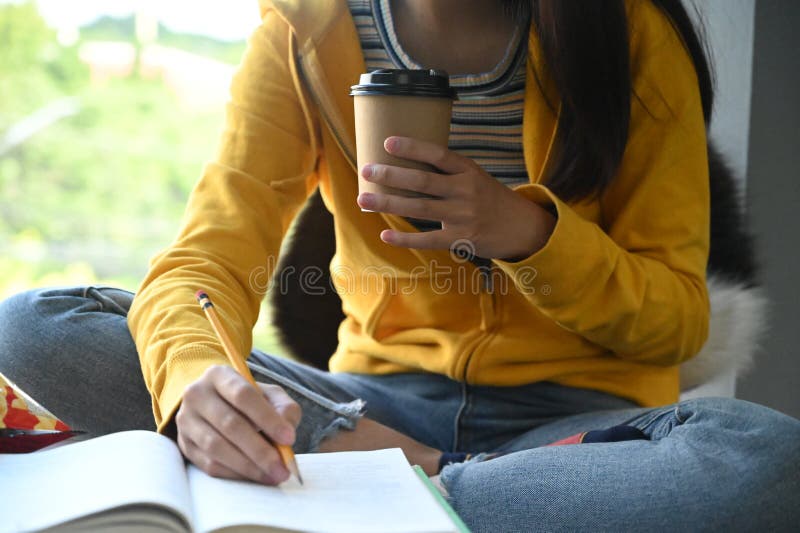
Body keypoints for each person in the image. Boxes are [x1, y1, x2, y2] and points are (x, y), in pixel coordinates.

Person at [1, 0, 798, 531]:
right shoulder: (306, 29)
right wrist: (195, 381)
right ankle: (419, 480)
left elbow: (679, 319)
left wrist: (526, 232)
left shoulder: (631, 32)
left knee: (765, 460)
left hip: (577, 428)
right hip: (367, 409)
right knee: (32, 326)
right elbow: (206, 259)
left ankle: (424, 487)